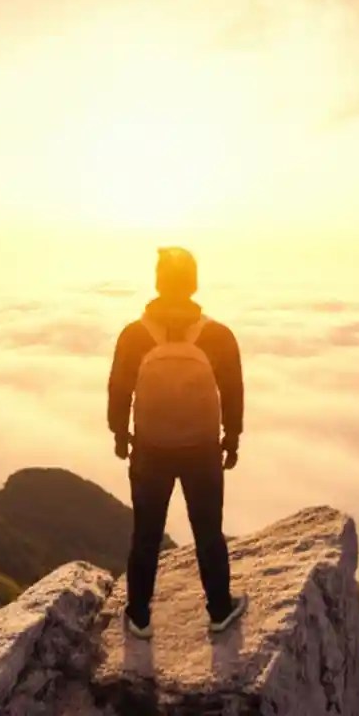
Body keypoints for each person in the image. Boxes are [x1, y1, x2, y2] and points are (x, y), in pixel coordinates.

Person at [108, 247, 248, 640]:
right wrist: (232, 437)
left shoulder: (135, 335)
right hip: (202, 450)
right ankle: (220, 610)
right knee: (208, 531)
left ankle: (138, 617)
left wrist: (120, 435)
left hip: (150, 449)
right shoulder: (218, 336)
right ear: (193, 283)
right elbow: (232, 390)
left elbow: (119, 390)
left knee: (146, 534)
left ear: (157, 281)